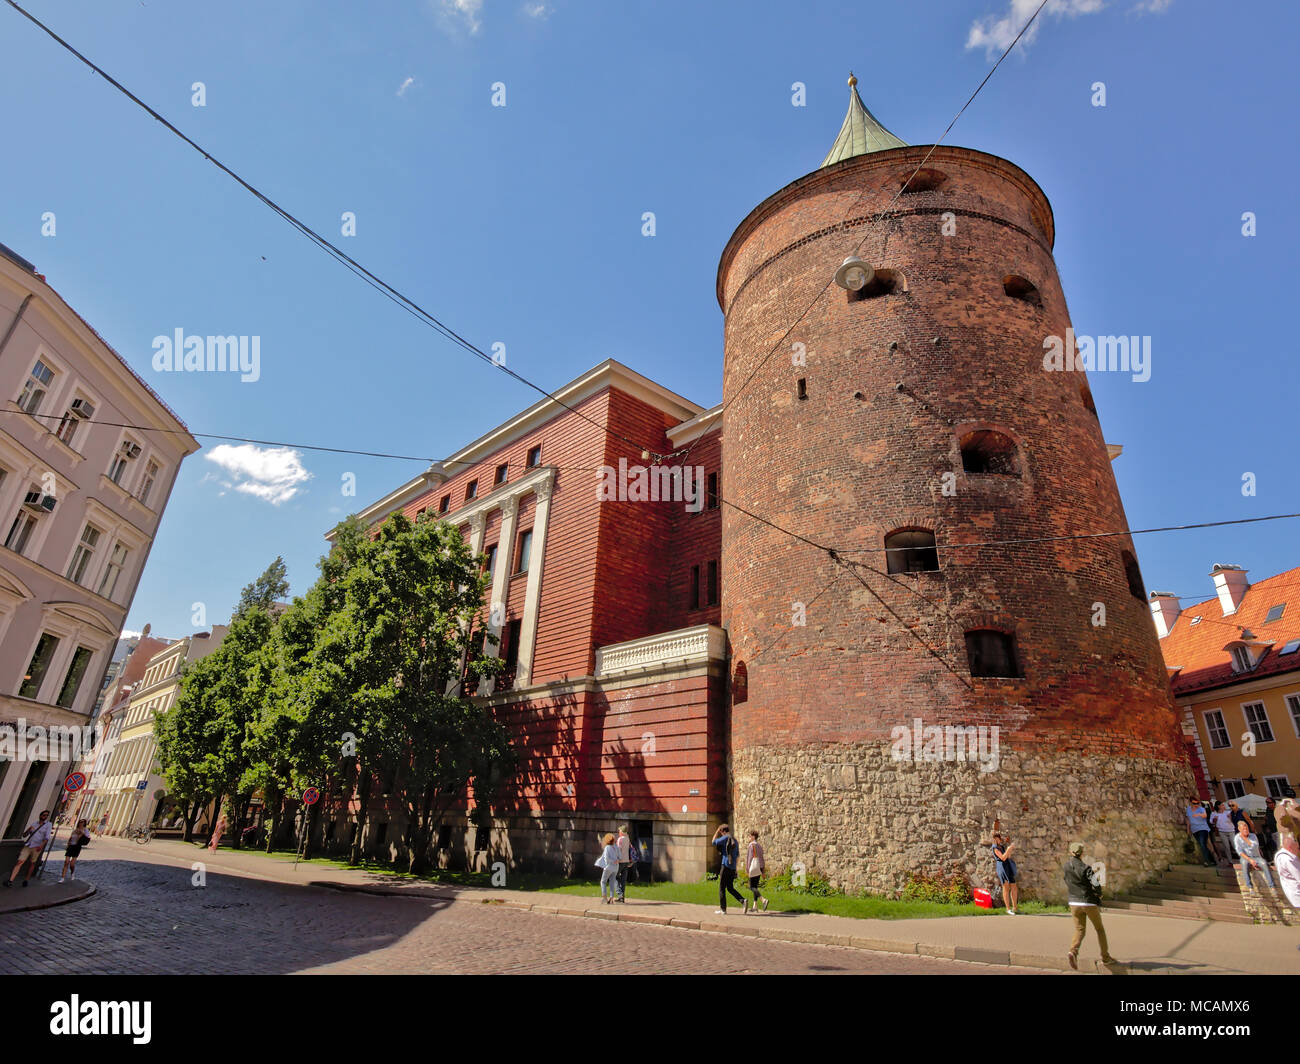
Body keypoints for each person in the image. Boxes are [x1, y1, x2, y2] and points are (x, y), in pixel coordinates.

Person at [1063, 841, 1115, 969]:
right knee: (1099, 929)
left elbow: (1066, 880)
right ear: (1082, 853)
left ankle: (1073, 951)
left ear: (1071, 852)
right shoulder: (1086, 868)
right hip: (1087, 901)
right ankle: (1106, 957)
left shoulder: (1066, 866)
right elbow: (1095, 884)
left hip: (1073, 902)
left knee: (1080, 929)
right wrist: (1099, 895)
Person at [4, 810, 52, 888]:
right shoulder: (34, 824)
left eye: (47, 815)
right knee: (20, 862)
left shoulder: (48, 825)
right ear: (40, 815)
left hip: (37, 847)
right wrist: (29, 830)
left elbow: (47, 837)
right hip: (28, 845)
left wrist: (41, 846)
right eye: (44, 815)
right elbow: (24, 835)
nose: (45, 816)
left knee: (32, 863)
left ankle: (26, 879)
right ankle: (10, 881)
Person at [712, 823, 747, 914]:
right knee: (730, 888)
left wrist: (716, 831)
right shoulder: (734, 840)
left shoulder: (725, 838)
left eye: (721, 832)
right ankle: (743, 900)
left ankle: (723, 909)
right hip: (732, 867)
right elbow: (737, 855)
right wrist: (735, 868)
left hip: (725, 865)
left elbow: (713, 842)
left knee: (722, 888)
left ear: (722, 831)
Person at [1233, 819, 1275, 890]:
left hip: (1255, 856)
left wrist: (1245, 839)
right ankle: (1249, 886)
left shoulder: (1253, 836)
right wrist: (1249, 860)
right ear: (1239, 829)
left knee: (1264, 863)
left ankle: (1272, 885)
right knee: (1244, 863)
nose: (1246, 830)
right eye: (1243, 829)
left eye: (1246, 828)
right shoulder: (1237, 838)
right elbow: (1239, 851)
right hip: (1246, 857)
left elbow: (1255, 846)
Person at [991, 831, 1019, 913]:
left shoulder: (1001, 847)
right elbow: (1002, 858)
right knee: (1006, 887)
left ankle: (1015, 908)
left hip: (1008, 866)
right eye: (999, 838)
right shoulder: (995, 848)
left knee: (1014, 886)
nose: (1000, 840)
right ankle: (1008, 908)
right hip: (1002, 868)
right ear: (995, 839)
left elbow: (1007, 856)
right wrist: (1008, 849)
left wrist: (1010, 850)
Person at [1184, 796, 1215, 866]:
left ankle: (1207, 861)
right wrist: (1188, 830)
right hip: (1194, 830)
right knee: (1202, 845)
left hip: (1203, 829)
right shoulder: (1188, 809)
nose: (1196, 805)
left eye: (1197, 803)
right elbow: (1188, 820)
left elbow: (1205, 815)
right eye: (1194, 803)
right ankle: (1212, 860)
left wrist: (1198, 814)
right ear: (1190, 803)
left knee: (1202, 844)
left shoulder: (1201, 809)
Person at [745, 830, 768, 913]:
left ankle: (763, 900)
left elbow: (749, 858)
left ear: (753, 837)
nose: (749, 837)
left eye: (750, 836)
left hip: (753, 867)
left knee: (751, 887)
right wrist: (763, 870)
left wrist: (747, 869)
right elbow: (761, 858)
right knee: (755, 886)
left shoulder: (751, 846)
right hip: (759, 868)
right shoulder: (759, 846)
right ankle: (755, 906)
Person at [596, 833, 620, 903]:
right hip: (616, 867)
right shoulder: (616, 847)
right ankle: (611, 898)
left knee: (603, 881)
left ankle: (604, 897)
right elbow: (620, 857)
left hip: (609, 867)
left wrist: (612, 861)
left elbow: (606, 859)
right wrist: (616, 861)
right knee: (612, 882)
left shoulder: (607, 847)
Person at [614, 825, 632, 903]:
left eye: (619, 831)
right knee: (623, 879)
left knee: (614, 876)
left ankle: (620, 894)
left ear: (621, 832)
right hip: (626, 861)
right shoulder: (627, 839)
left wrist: (616, 859)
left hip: (620, 861)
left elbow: (618, 851)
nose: (619, 832)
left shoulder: (620, 839)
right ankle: (622, 897)